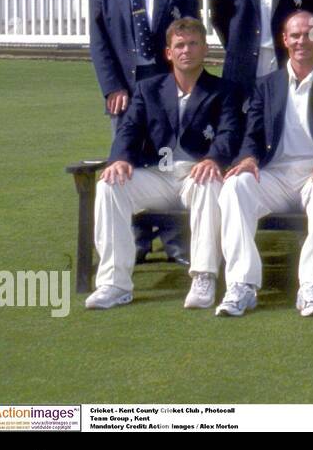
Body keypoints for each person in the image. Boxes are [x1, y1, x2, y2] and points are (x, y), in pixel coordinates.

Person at [85, 17, 241, 310]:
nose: (187, 51)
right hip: (157, 174)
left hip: (196, 175)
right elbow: (128, 129)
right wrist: (119, 159)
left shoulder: (224, 90)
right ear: (168, 52)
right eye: (179, 45)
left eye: (193, 44)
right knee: (110, 184)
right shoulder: (148, 89)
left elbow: (229, 132)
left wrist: (213, 159)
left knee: (209, 181)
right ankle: (114, 283)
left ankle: (203, 275)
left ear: (205, 49)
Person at [214, 11, 313, 317]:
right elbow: (251, 132)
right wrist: (249, 157)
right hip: (274, 174)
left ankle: (312, 286)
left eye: (308, 34)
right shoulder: (266, 86)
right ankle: (242, 284)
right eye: (294, 35)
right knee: (234, 187)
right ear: (284, 40)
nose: (301, 41)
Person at [88, 0, 199, 263]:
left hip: (169, 88)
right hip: (125, 93)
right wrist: (112, 89)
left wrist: (183, 83)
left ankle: (174, 240)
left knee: (169, 162)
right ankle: (136, 240)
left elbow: (189, 35)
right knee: (127, 163)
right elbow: (99, 43)